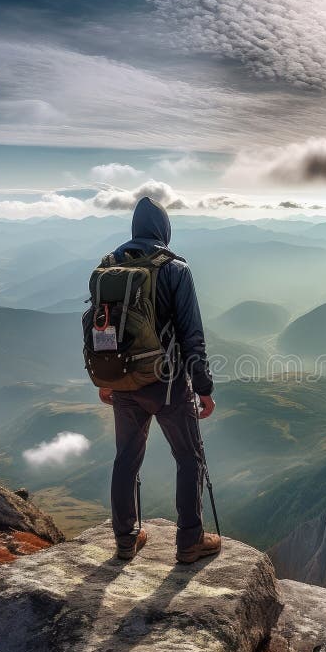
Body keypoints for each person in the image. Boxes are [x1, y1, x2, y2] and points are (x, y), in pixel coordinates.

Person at [98, 196, 221, 564]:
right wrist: (204, 388)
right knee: (189, 458)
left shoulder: (110, 267)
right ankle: (189, 542)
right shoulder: (175, 269)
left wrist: (107, 379)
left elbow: (102, 330)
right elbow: (191, 335)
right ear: (164, 230)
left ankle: (125, 539)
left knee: (126, 458)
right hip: (168, 385)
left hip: (121, 380)